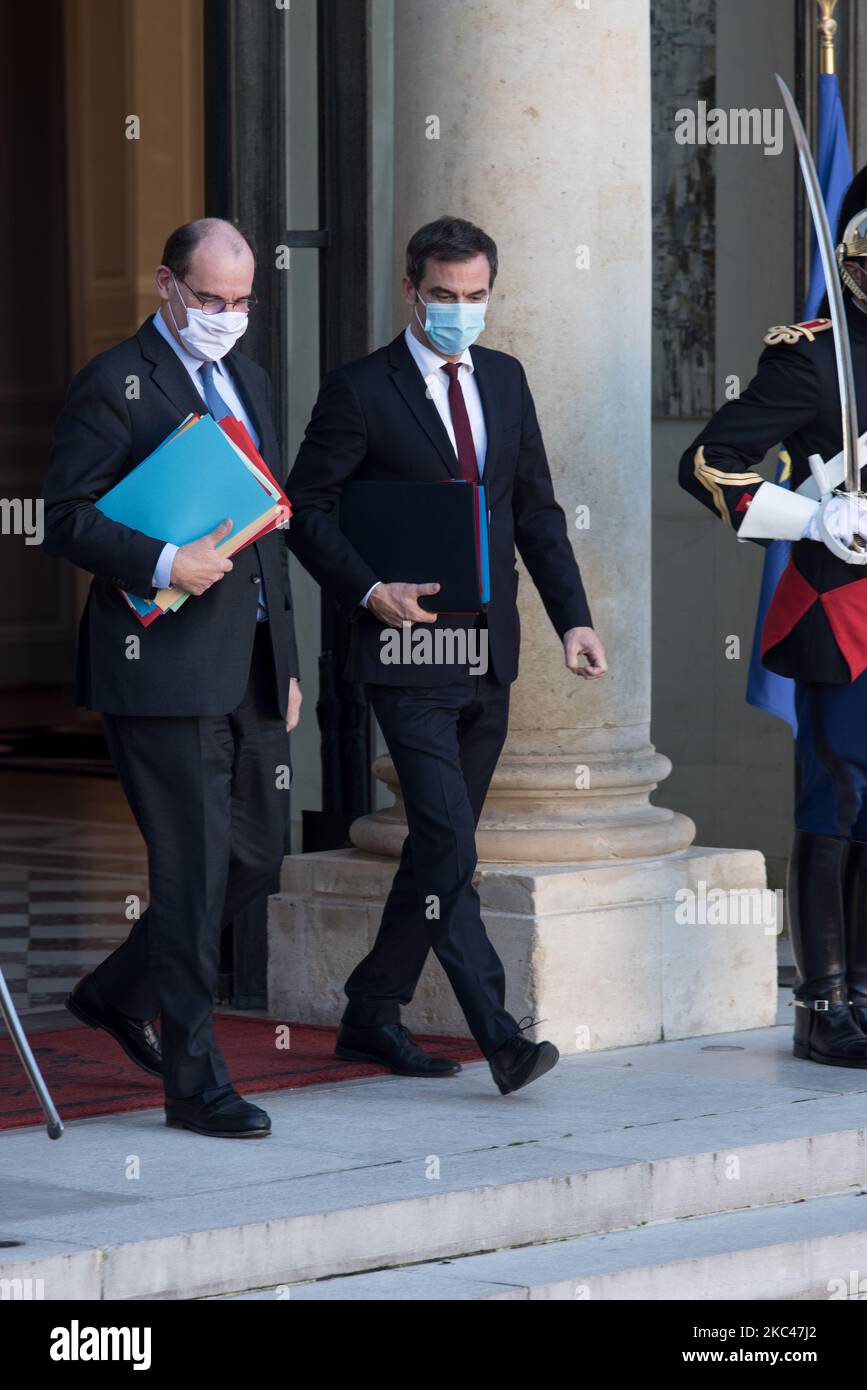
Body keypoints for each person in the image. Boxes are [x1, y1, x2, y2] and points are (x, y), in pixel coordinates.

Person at [287, 215, 607, 1096]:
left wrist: (572, 620)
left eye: (475, 298)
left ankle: (371, 1009)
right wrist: (368, 590)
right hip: (406, 648)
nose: (459, 312)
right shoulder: (360, 390)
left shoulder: (504, 379)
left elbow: (536, 510)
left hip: (487, 647)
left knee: (439, 849)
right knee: (446, 841)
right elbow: (303, 511)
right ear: (410, 291)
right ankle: (500, 1035)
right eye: (443, 296)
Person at [43, 218, 302, 1138]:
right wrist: (162, 561)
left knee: (257, 856)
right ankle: (194, 1084)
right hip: (157, 665)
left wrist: (289, 661)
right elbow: (63, 517)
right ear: (165, 284)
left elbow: (271, 521)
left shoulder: (251, 379)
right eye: (209, 301)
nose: (226, 319)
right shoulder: (113, 383)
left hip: (251, 667)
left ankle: (116, 991)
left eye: (240, 304)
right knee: (190, 875)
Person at [678, 168, 867, 1069]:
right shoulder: (810, 356)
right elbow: (709, 464)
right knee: (837, 796)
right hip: (844, 609)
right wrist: (813, 516)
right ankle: (821, 1001)